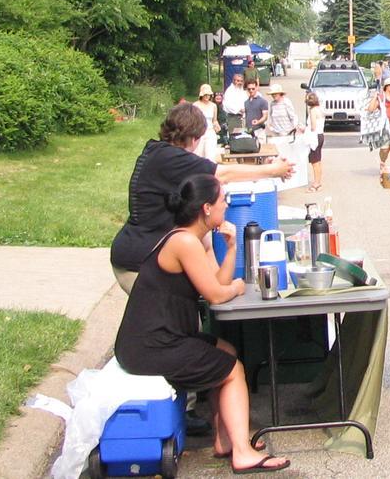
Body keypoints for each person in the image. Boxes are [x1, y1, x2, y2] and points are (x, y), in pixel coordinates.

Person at [114, 174, 289, 474]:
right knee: (234, 371)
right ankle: (243, 452)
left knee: (227, 350)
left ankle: (224, 440)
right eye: (223, 200)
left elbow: (212, 283)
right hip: (152, 345)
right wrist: (235, 288)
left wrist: (231, 248)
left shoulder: (188, 238)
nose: (226, 206)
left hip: (160, 338)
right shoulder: (184, 242)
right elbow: (217, 295)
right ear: (206, 208)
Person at [110, 104, 294, 291]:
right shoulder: (170, 158)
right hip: (139, 261)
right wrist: (272, 170)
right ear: (194, 138)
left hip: (141, 253)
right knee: (169, 314)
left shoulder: (161, 153)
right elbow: (222, 174)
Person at [193, 84, 222, 162]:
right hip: (199, 131)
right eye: (205, 94)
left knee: (210, 155)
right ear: (202, 95)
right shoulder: (195, 105)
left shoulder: (213, 106)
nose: (207, 96)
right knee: (198, 154)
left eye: (209, 95)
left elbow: (214, 120)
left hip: (210, 131)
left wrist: (217, 126)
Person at [305, 92, 325, 192]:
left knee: (314, 162)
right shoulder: (320, 109)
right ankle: (319, 182)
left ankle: (316, 184)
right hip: (321, 135)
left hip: (314, 137)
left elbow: (313, 126)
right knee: (318, 160)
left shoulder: (313, 111)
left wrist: (305, 129)